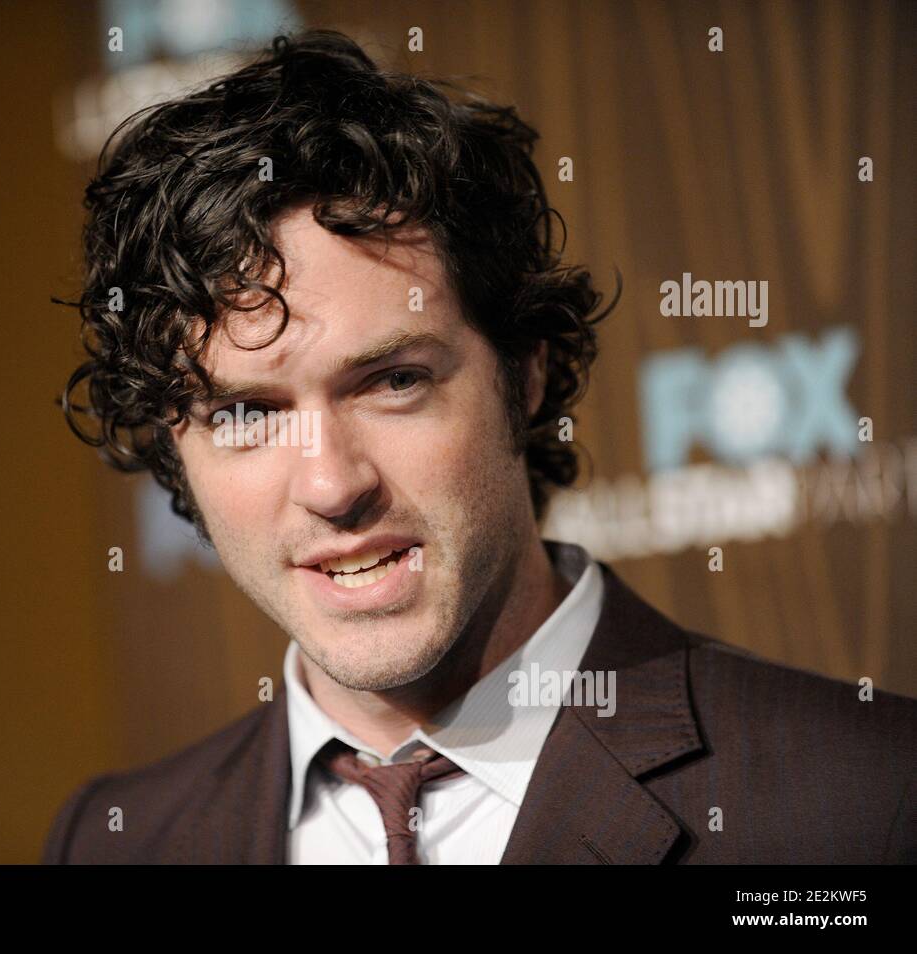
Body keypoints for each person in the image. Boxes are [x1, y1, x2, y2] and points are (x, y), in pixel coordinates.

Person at [44, 29, 916, 864]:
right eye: (245, 414)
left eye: (392, 382)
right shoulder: (116, 842)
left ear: (525, 373)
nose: (330, 483)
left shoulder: (863, 799)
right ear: (173, 450)